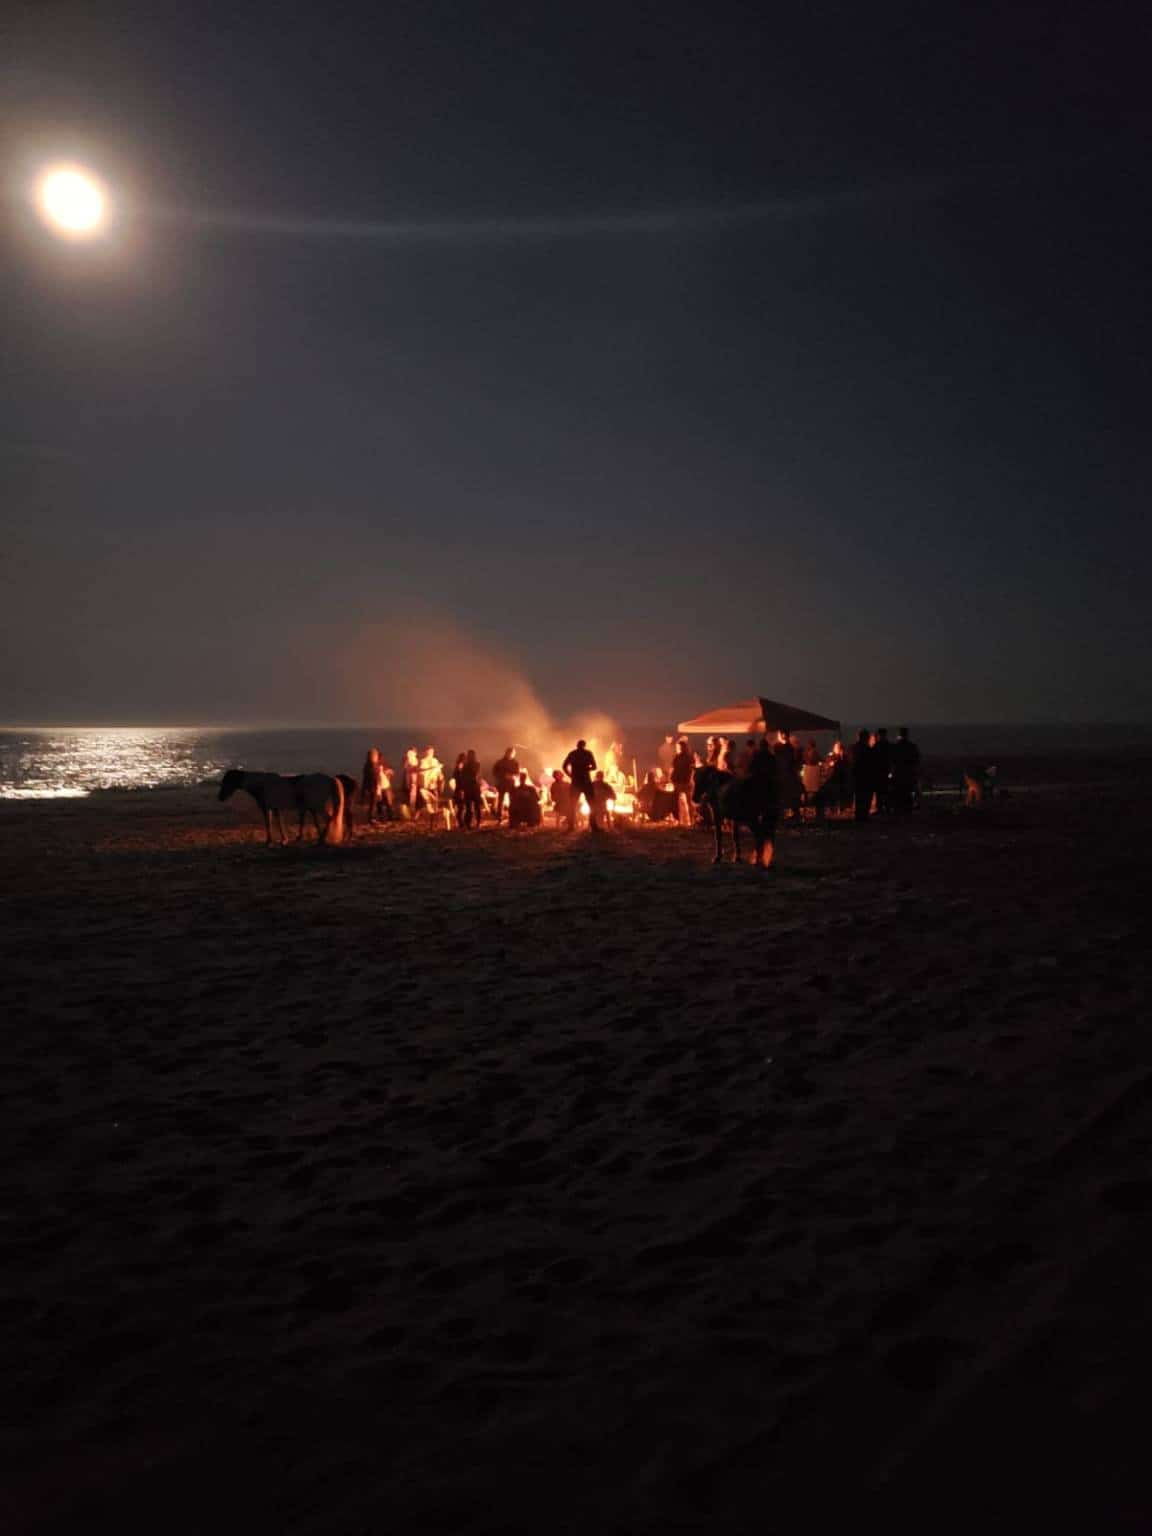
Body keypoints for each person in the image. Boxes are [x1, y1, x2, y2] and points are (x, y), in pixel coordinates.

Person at [562, 738, 597, 830]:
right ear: (584, 745)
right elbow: (594, 766)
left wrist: (570, 775)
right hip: (585, 781)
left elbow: (564, 766)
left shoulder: (573, 754)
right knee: (591, 803)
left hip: (576, 781)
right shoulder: (588, 754)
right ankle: (593, 826)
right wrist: (586, 769)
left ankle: (571, 826)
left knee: (572, 804)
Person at [889, 727, 921, 813]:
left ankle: (899, 809)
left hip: (898, 774)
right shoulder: (912, 747)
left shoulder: (895, 747)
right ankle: (907, 810)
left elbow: (891, 761)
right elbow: (916, 760)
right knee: (907, 793)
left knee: (898, 793)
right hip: (908, 774)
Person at [491, 747, 520, 824]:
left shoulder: (515, 763)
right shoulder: (500, 762)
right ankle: (499, 817)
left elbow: (517, 773)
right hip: (502, 784)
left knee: (512, 801)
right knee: (501, 801)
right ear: (507, 753)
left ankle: (512, 817)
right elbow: (494, 772)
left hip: (511, 784)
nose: (511, 754)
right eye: (510, 753)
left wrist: (511, 776)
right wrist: (502, 775)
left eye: (513, 753)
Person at [671, 737, 695, 826]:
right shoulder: (677, 757)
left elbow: (691, 770)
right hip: (678, 781)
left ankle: (691, 821)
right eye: (678, 747)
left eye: (680, 747)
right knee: (677, 802)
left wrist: (690, 780)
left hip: (685, 782)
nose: (679, 749)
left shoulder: (688, 757)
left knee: (688, 802)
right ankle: (679, 820)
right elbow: (674, 768)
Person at [851, 729, 874, 821]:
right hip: (865, 776)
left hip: (857, 776)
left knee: (859, 796)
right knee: (865, 796)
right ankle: (863, 815)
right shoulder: (868, 749)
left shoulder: (854, 748)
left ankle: (859, 814)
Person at [873, 727, 892, 814]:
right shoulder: (888, 745)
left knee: (880, 791)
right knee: (885, 791)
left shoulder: (877, 746)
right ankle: (886, 808)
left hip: (879, 772)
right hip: (885, 771)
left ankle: (880, 808)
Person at [360, 747, 382, 821]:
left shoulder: (372, 765)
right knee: (373, 802)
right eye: (375, 755)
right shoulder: (371, 766)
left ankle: (376, 816)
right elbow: (373, 777)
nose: (376, 756)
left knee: (375, 802)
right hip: (373, 786)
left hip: (373, 786)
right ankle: (371, 817)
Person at [402, 747, 421, 817]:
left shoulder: (417, 761)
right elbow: (406, 768)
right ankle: (408, 813)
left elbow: (418, 770)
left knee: (414, 798)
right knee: (408, 797)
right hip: (408, 782)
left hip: (415, 782)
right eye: (409, 752)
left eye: (412, 752)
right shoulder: (407, 760)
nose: (410, 754)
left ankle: (414, 812)